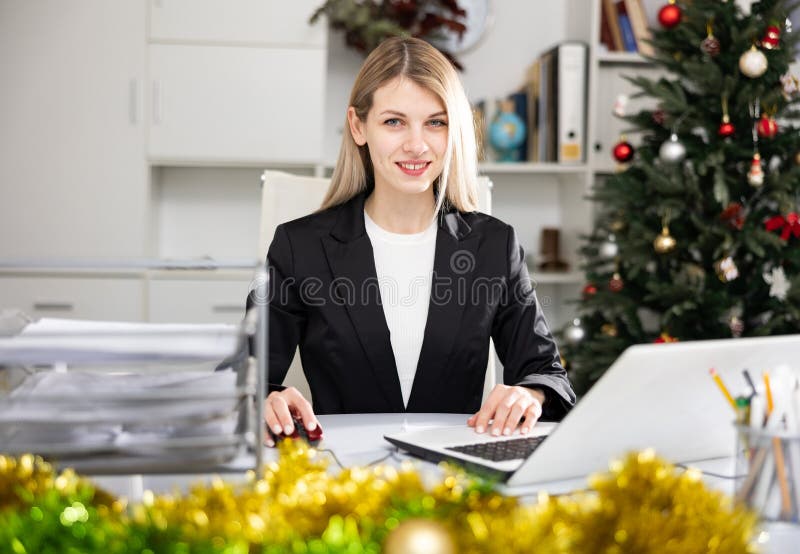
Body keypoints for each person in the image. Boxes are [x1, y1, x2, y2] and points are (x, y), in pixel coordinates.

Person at [255, 36, 575, 447]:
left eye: (436, 122)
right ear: (358, 126)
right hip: (341, 479)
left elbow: (548, 373)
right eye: (394, 121)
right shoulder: (299, 246)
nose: (417, 144)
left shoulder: (494, 245)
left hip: (458, 478)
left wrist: (529, 394)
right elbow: (246, 376)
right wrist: (265, 398)